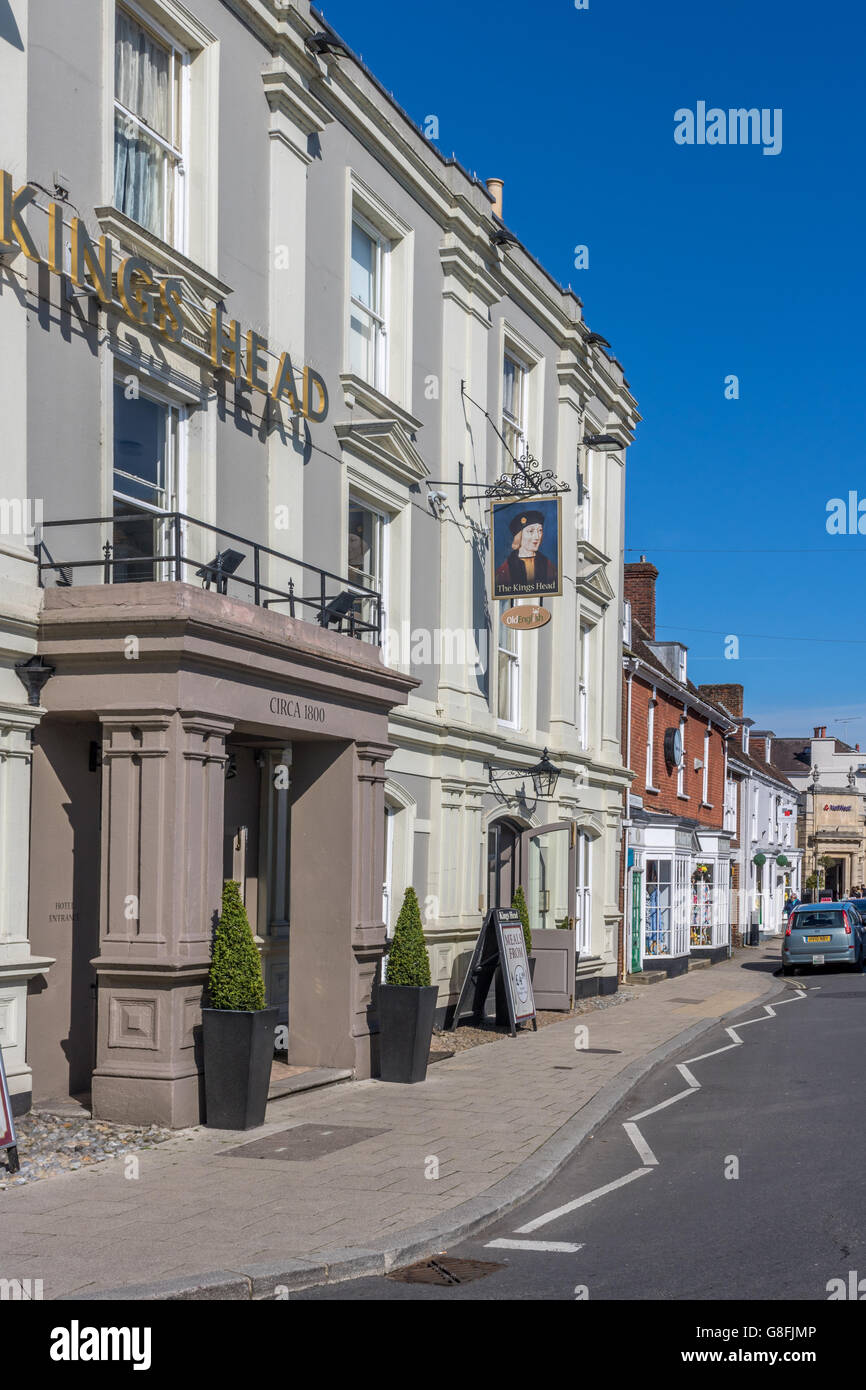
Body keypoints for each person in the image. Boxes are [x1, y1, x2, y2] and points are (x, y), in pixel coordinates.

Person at [494, 509, 557, 591]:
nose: (537, 537)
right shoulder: (505, 569)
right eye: (531, 531)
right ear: (519, 536)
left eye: (540, 531)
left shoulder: (548, 566)